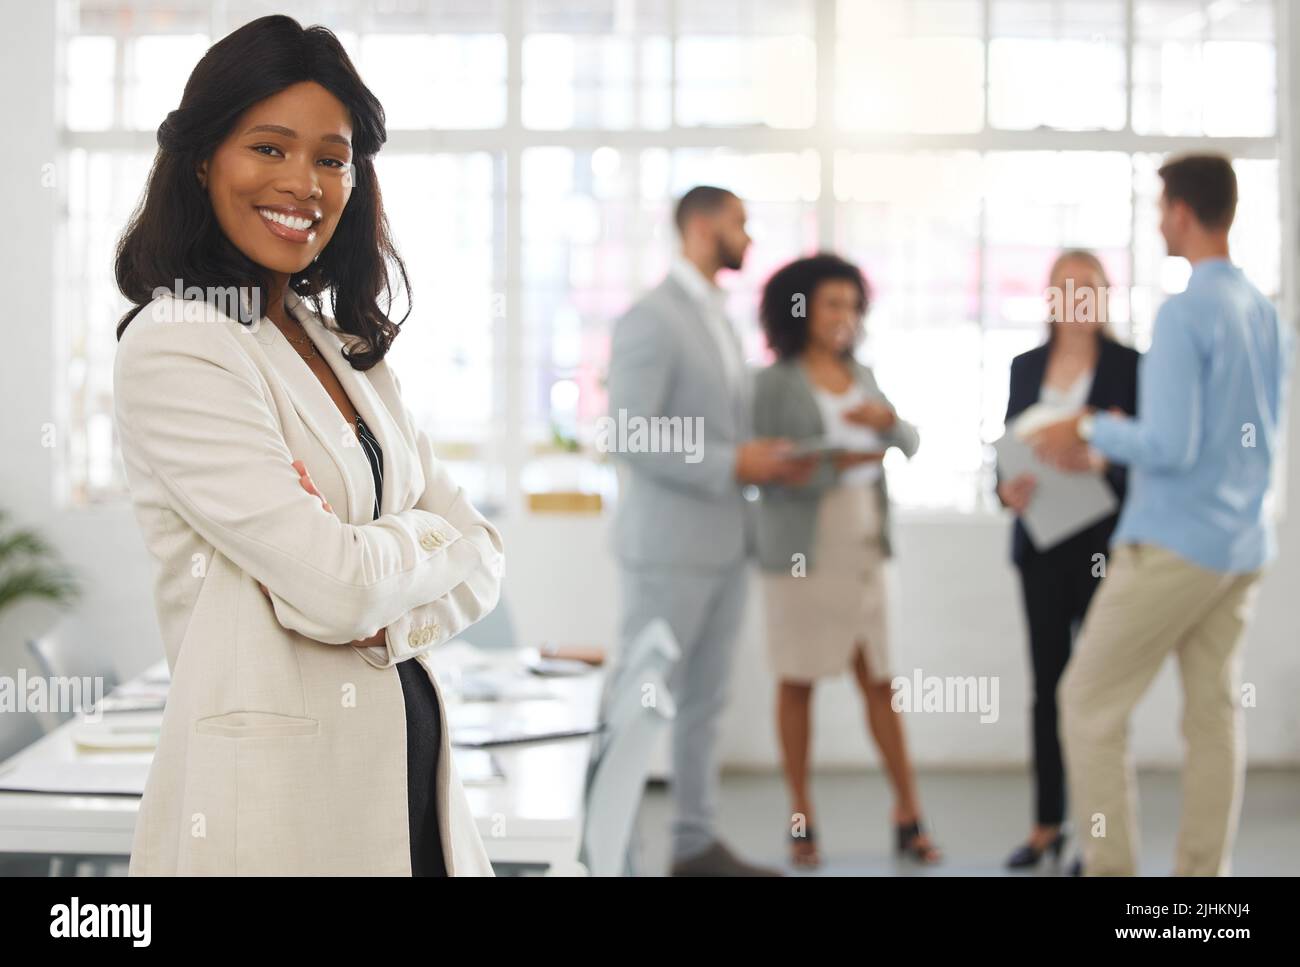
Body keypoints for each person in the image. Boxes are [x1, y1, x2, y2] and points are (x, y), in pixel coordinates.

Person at [113, 16, 504, 875]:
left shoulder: (337, 344)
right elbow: (334, 586)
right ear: (204, 158)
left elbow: (484, 556)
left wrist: (378, 589)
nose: (304, 182)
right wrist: (392, 556)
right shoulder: (180, 342)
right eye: (269, 147)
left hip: (411, 790)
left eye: (332, 158)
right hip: (283, 813)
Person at [1032, 154, 1292, 876]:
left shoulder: (1185, 311)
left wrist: (1090, 427)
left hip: (1175, 543)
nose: (1157, 223)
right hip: (1241, 545)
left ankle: (1112, 872)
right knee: (1212, 716)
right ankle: (1197, 890)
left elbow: (1169, 445)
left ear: (1180, 211)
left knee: (1085, 703)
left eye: (1159, 209)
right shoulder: (1265, 311)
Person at [606, 186, 813, 876]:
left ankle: (693, 843)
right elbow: (630, 432)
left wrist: (766, 455)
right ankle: (614, 853)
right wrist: (732, 461)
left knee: (705, 705)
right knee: (639, 707)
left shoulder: (720, 319)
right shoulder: (651, 319)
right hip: (667, 552)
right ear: (700, 227)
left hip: (727, 543)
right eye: (738, 225)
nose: (748, 239)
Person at [752, 253, 941, 869]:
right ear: (799, 309)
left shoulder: (862, 375)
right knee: (798, 679)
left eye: (852, 305)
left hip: (863, 545)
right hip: (803, 548)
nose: (844, 316)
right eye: (831, 303)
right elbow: (768, 470)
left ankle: (907, 811)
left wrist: (886, 423)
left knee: (881, 682)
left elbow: (908, 442)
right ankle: (801, 818)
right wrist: (827, 463)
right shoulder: (775, 383)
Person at [997, 250, 1139, 869]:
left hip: (1107, 548)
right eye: (1066, 288)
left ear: (1105, 297)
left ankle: (1095, 832)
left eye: (1089, 287)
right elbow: (1003, 456)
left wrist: (1101, 458)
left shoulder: (1133, 367)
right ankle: (1045, 824)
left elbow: (1153, 456)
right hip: (1041, 547)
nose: (1078, 299)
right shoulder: (1026, 367)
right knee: (1048, 688)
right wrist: (1006, 489)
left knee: (1100, 692)